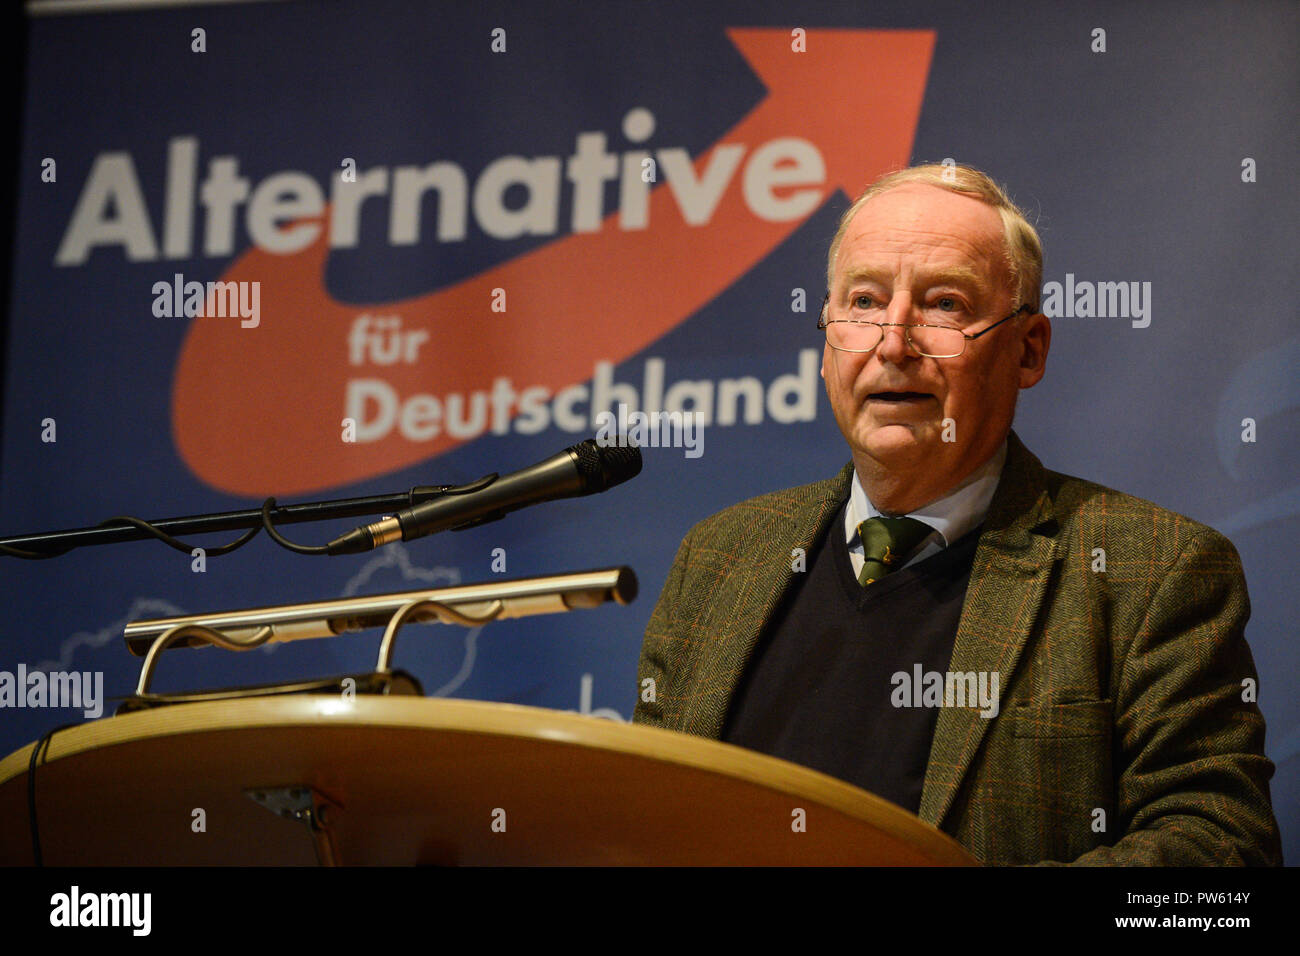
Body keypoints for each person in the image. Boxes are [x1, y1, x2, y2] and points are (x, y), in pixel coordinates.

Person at [631, 164, 1282, 866]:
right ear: (826, 340)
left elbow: (1220, 856)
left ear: (1028, 349)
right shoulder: (721, 556)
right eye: (864, 301)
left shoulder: (1150, 570)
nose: (892, 342)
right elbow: (639, 821)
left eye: (943, 304)